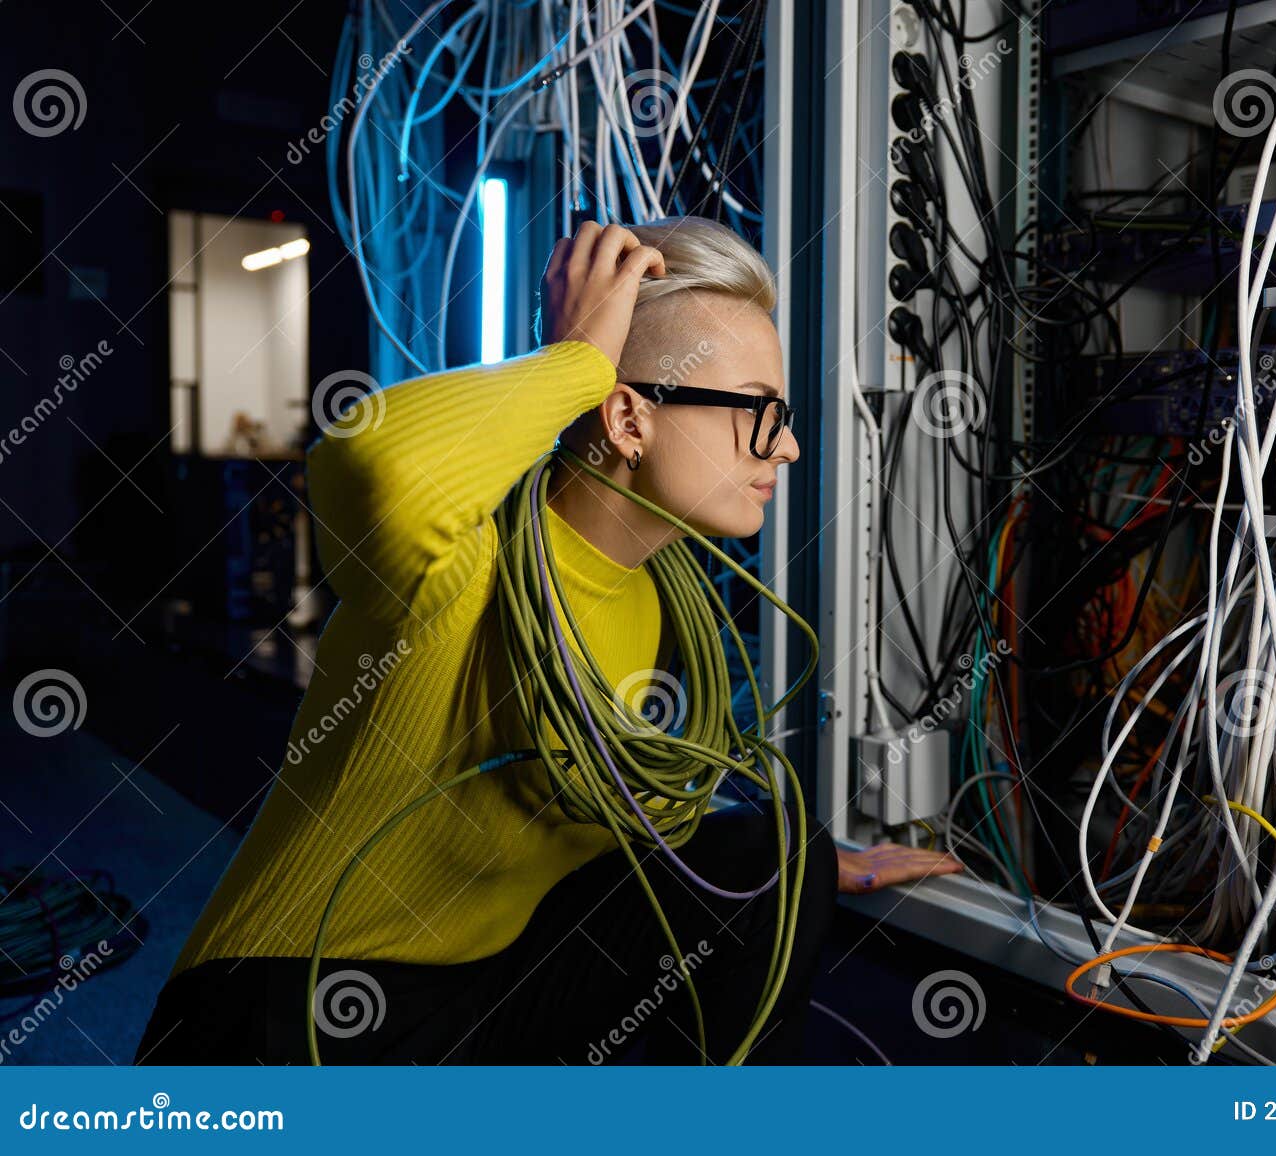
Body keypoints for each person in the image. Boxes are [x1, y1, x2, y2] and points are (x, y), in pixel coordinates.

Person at [135, 216, 964, 1066]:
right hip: (290, 1002)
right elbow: (369, 461)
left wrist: (815, 869)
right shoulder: (462, 563)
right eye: (757, 412)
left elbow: (628, 822)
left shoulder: (656, 607)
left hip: (479, 993)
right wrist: (573, 362)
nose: (785, 446)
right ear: (628, 418)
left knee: (776, 850)